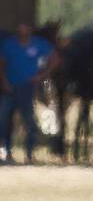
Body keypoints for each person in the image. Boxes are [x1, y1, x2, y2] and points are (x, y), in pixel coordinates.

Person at [0, 22, 57, 164]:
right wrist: (4, 82)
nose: (22, 30)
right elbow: (1, 65)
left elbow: (55, 59)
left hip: (28, 89)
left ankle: (29, 153)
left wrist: (42, 76)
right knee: (4, 121)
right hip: (10, 89)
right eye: (20, 27)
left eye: (25, 27)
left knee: (30, 123)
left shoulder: (39, 44)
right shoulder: (8, 45)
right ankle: (6, 152)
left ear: (30, 29)